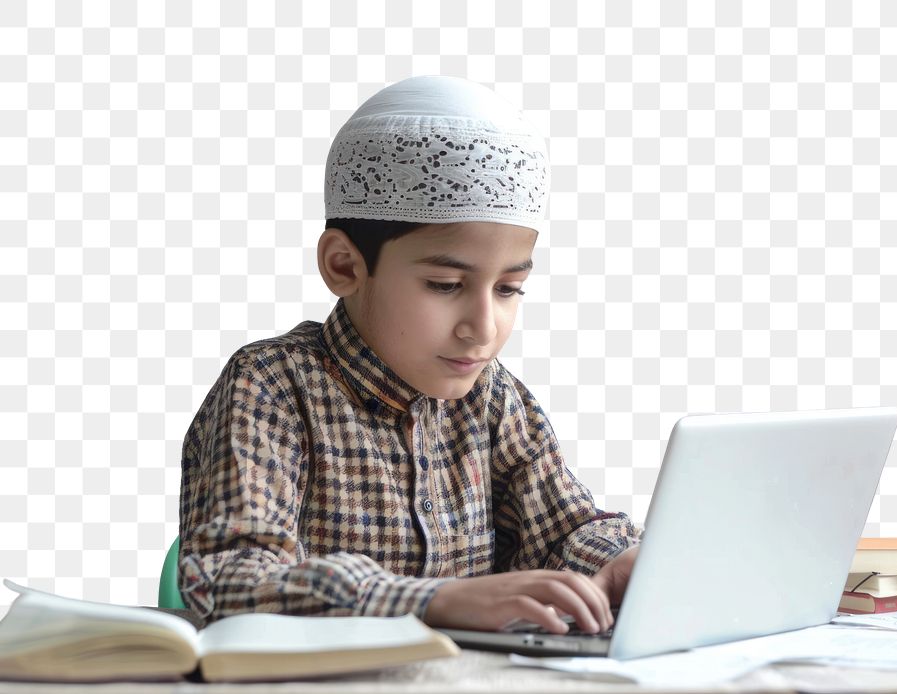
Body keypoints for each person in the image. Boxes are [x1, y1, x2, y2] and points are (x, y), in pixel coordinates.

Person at [178, 75, 641, 636]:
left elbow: (565, 529)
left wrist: (620, 563)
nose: (482, 329)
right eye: (445, 285)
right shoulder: (271, 386)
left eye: (508, 289)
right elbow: (227, 577)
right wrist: (432, 601)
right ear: (344, 265)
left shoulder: (493, 398)